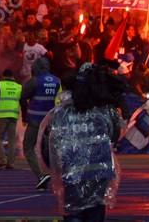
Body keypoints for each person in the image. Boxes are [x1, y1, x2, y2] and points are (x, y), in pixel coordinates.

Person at [47, 63, 126, 221]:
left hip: (72, 172)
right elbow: (115, 135)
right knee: (95, 214)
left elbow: (52, 145)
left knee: (74, 214)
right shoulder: (104, 111)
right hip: (99, 172)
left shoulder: (60, 113)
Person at [22, 56, 60, 190]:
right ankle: (62, 175)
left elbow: (23, 96)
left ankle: (40, 175)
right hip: (51, 121)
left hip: (35, 120)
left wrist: (24, 115)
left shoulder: (34, 81)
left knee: (28, 147)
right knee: (52, 148)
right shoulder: (57, 81)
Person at [0, 68, 22, 170]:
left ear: (3, 76)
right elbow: (23, 102)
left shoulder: (0, 85)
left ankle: (2, 161)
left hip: (1, 115)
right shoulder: (18, 86)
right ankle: (11, 163)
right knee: (12, 140)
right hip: (13, 115)